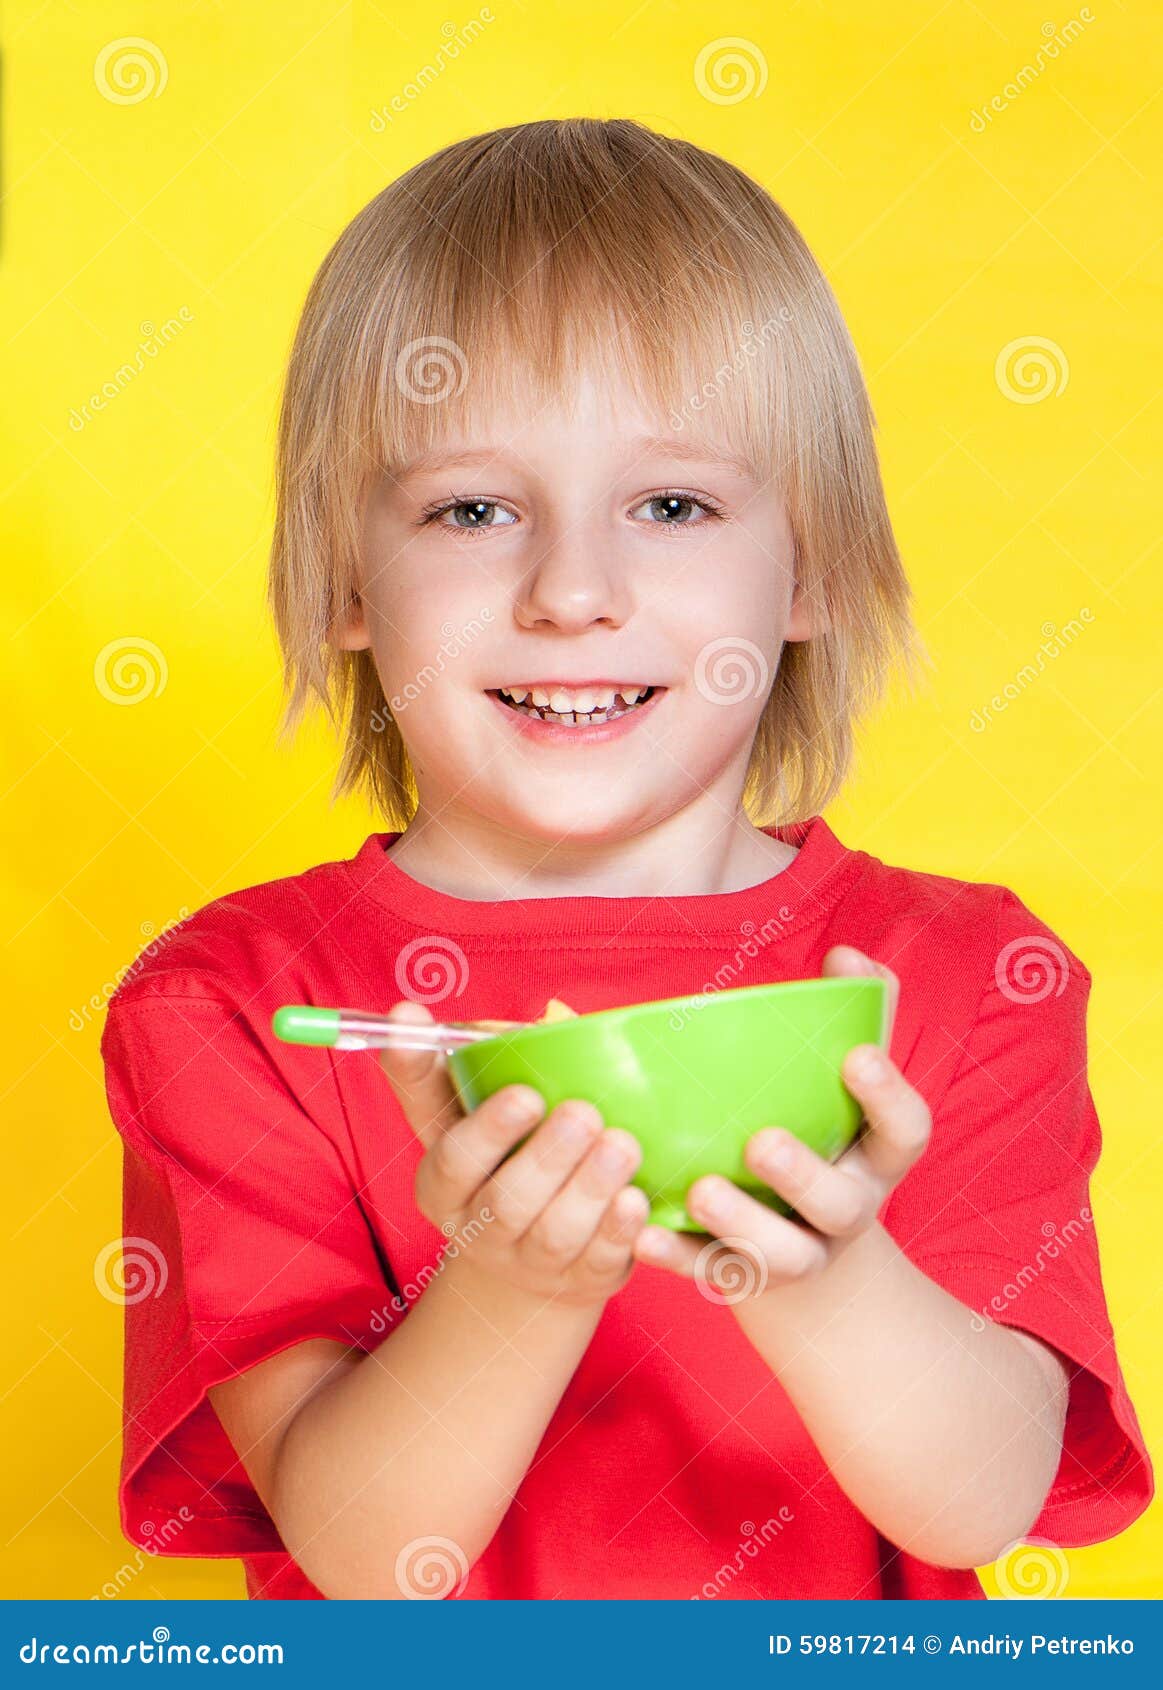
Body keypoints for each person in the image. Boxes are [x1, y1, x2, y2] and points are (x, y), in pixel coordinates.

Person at [100, 117, 1151, 1600]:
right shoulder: (227, 1000)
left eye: (673, 505)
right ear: (345, 575)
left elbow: (984, 1504)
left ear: (815, 567)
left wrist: (822, 1272)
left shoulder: (972, 976)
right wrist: (515, 1290)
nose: (573, 591)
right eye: (472, 508)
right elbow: (362, 1553)